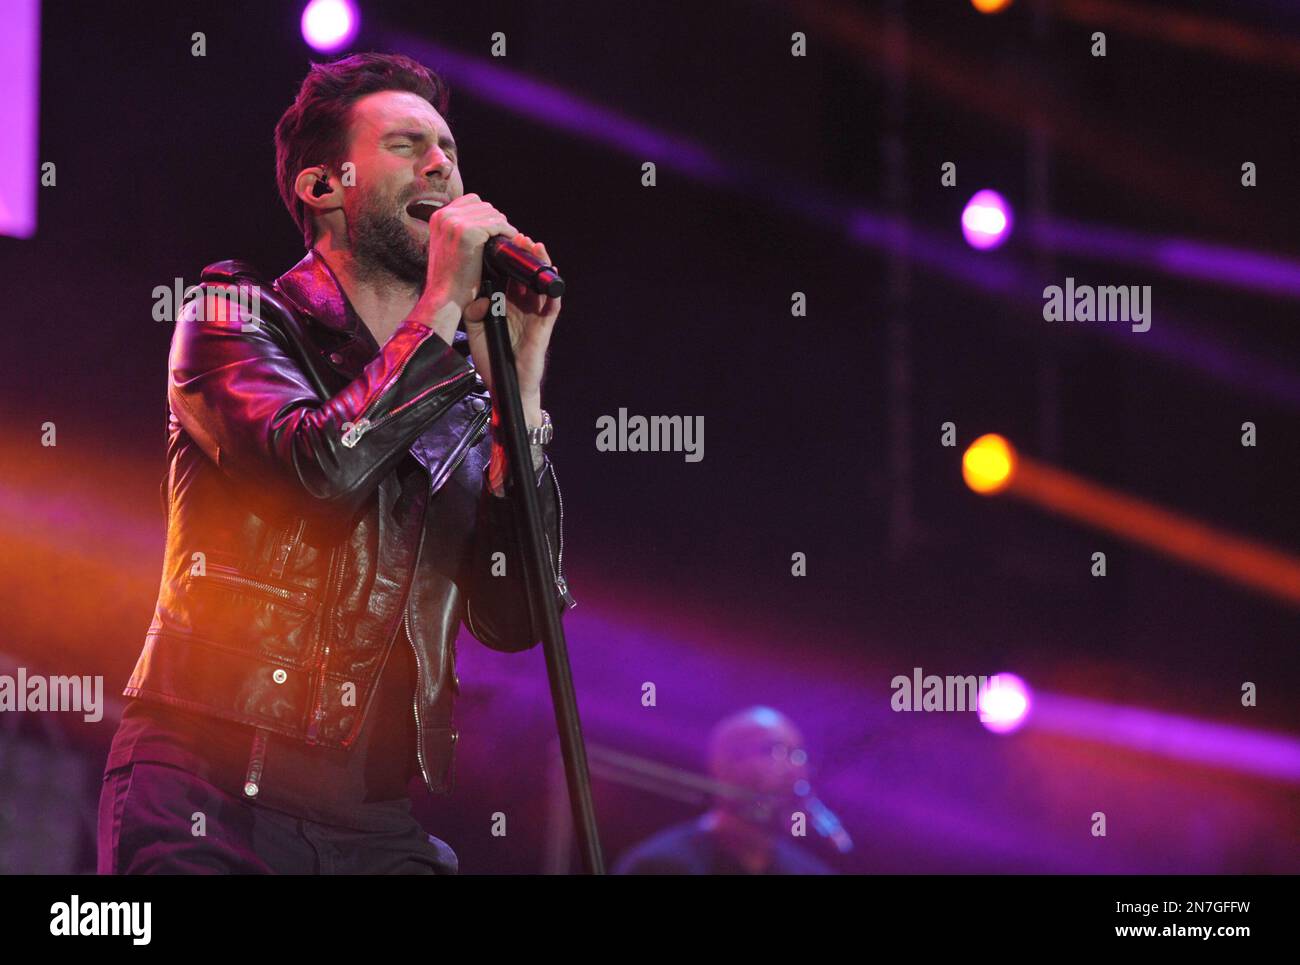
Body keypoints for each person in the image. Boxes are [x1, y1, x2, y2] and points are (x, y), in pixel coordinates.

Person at [97, 52, 573, 874]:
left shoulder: (459, 394)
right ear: (324, 188)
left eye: (448, 150)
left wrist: (520, 394)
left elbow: (516, 616)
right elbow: (316, 469)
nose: (441, 165)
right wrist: (439, 313)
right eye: (405, 143)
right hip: (212, 788)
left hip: (375, 819)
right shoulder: (234, 319)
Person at [614, 707, 837, 875]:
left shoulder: (811, 871)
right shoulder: (660, 865)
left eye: (798, 755)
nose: (793, 768)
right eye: (775, 750)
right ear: (722, 764)